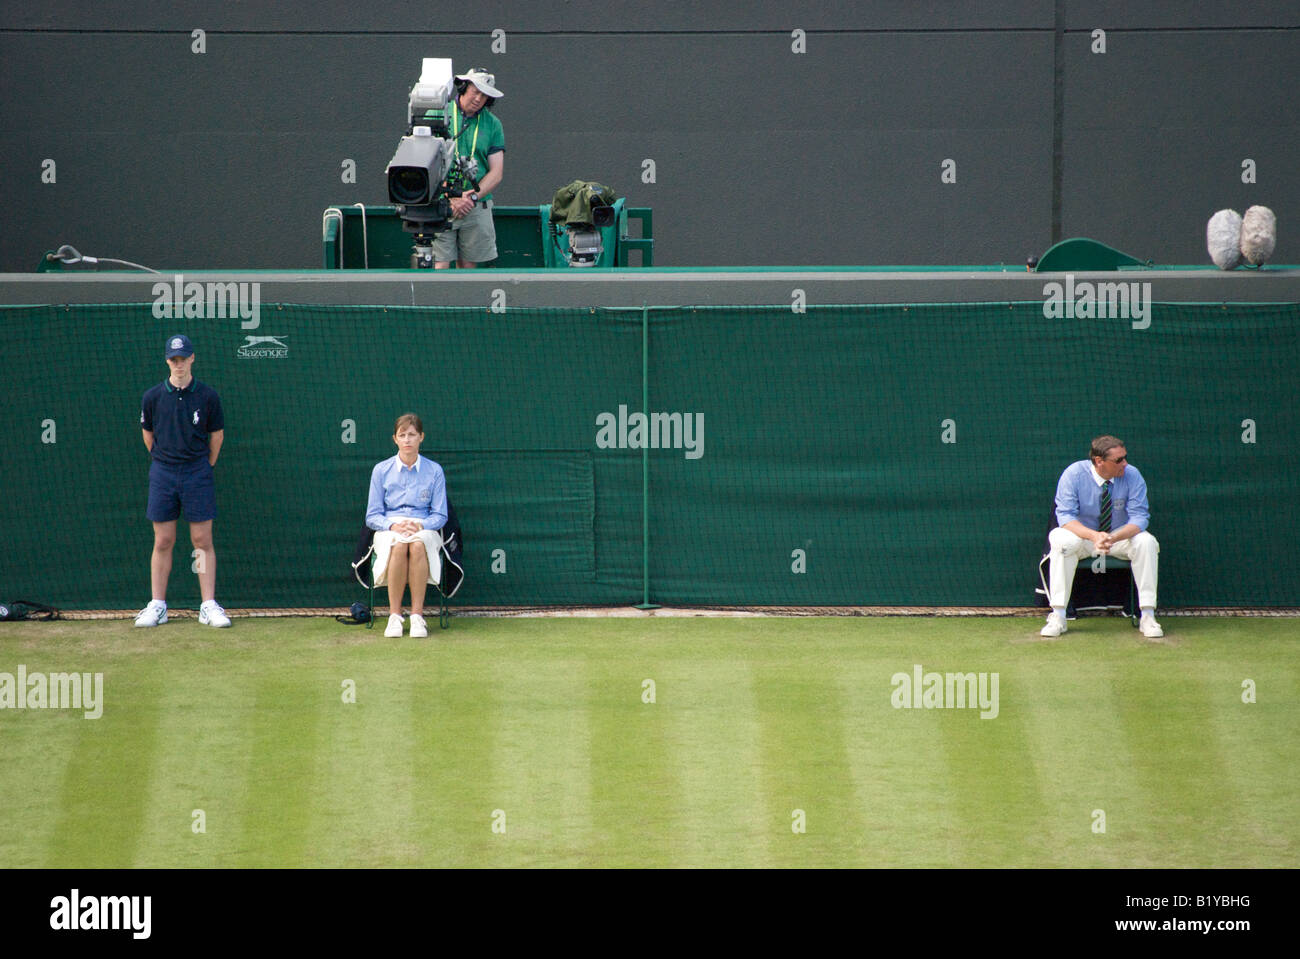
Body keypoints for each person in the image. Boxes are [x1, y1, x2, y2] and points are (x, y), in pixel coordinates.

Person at [136, 334, 230, 627]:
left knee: (201, 540)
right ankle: (158, 605)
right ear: (167, 361)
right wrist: (165, 461)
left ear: (192, 359)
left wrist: (203, 465)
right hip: (163, 473)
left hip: (197, 472)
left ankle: (208, 605)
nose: (179, 364)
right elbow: (148, 435)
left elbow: (217, 436)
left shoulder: (208, 396)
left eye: (183, 358)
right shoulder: (152, 397)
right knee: (163, 539)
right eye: (173, 359)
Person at [1042, 435, 1162, 639]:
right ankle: (1058, 615)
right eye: (1118, 460)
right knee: (1062, 540)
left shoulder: (1132, 474)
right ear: (1099, 461)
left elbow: (1140, 517)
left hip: (1119, 538)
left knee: (1147, 542)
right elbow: (1065, 517)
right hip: (1082, 538)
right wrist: (1093, 536)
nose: (1125, 463)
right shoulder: (1073, 474)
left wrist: (1112, 537)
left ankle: (1148, 615)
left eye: (1125, 457)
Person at [366, 414, 448, 637]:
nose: (407, 440)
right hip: (389, 529)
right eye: (402, 435)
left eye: (412, 435)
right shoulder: (380, 470)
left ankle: (417, 617)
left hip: (424, 527)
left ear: (421, 437)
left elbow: (440, 514)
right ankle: (394, 617)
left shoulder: (435, 471)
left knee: (418, 546)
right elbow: (372, 516)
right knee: (400, 546)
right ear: (395, 439)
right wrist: (393, 527)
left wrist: (421, 526)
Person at [433, 68, 505, 269]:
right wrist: (452, 197)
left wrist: (470, 198)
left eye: (485, 96)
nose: (479, 99)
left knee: (469, 267)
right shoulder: (438, 113)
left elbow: (496, 172)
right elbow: (425, 162)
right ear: (464, 87)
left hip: (476, 204)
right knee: (440, 264)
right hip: (441, 202)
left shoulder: (493, 124)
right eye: (476, 91)